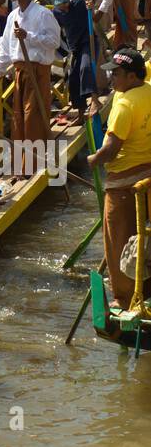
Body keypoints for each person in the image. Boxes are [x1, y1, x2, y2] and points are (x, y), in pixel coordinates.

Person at [86, 47, 151, 308]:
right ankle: (144, 290)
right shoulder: (148, 91)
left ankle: (123, 299)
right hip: (147, 179)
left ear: (132, 77)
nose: (112, 79)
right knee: (144, 237)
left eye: (117, 74)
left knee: (117, 243)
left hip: (124, 185)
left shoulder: (123, 104)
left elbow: (111, 151)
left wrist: (93, 160)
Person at [0, 0, 62, 173]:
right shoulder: (13, 16)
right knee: (19, 117)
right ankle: (21, 163)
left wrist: (28, 36)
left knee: (34, 117)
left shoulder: (43, 14)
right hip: (21, 71)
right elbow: (6, 47)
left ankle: (35, 163)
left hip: (37, 70)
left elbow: (54, 41)